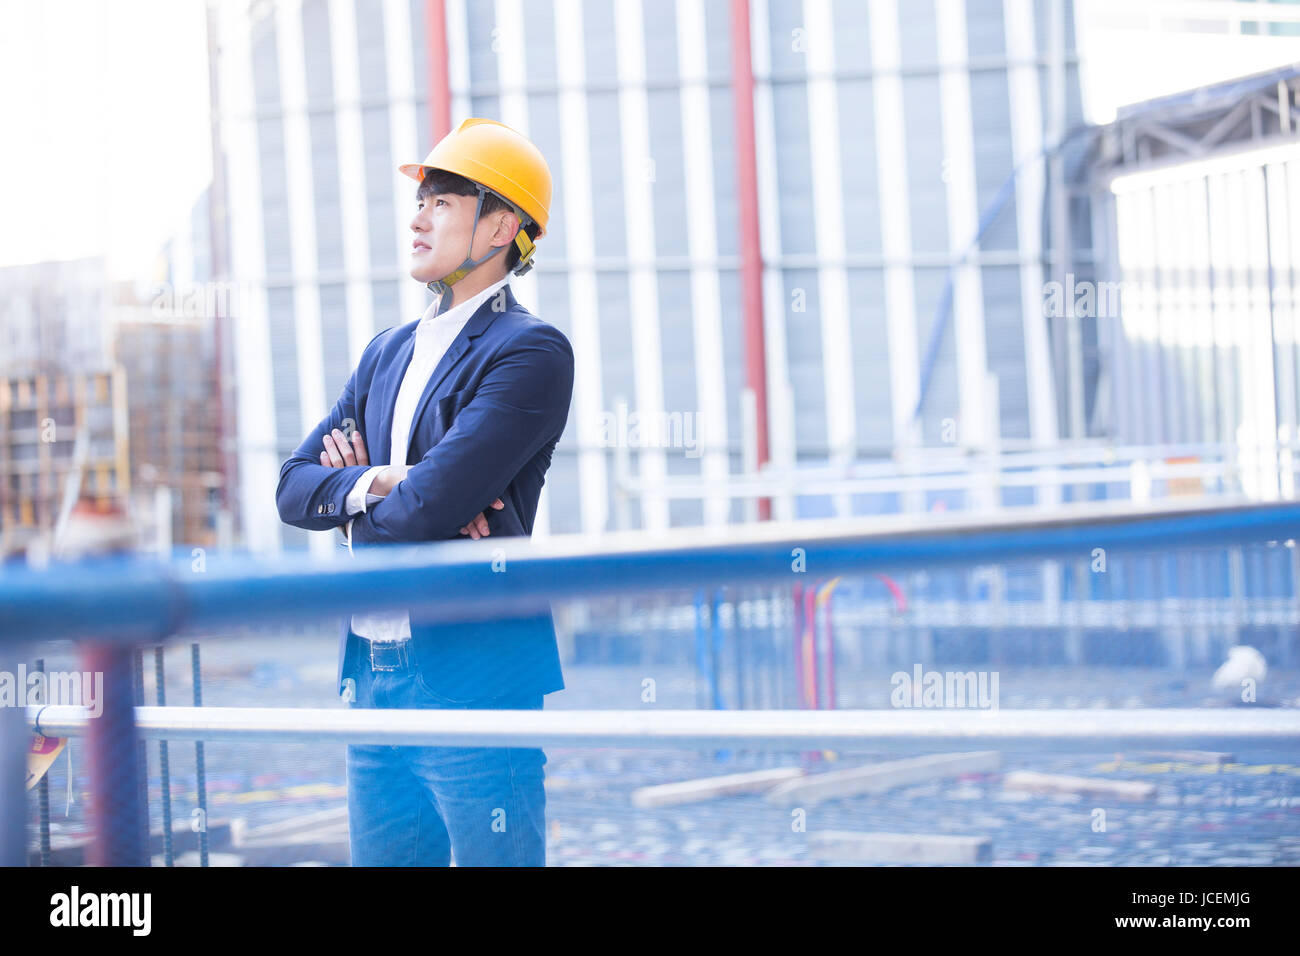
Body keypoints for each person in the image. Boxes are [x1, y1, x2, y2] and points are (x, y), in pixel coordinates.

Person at [275, 118, 573, 866]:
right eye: (420, 201)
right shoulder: (387, 351)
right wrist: (383, 481)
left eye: (442, 202)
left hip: (476, 681)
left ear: (501, 224)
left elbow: (428, 510)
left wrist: (357, 504)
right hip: (373, 682)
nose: (417, 217)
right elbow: (290, 488)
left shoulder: (530, 351)